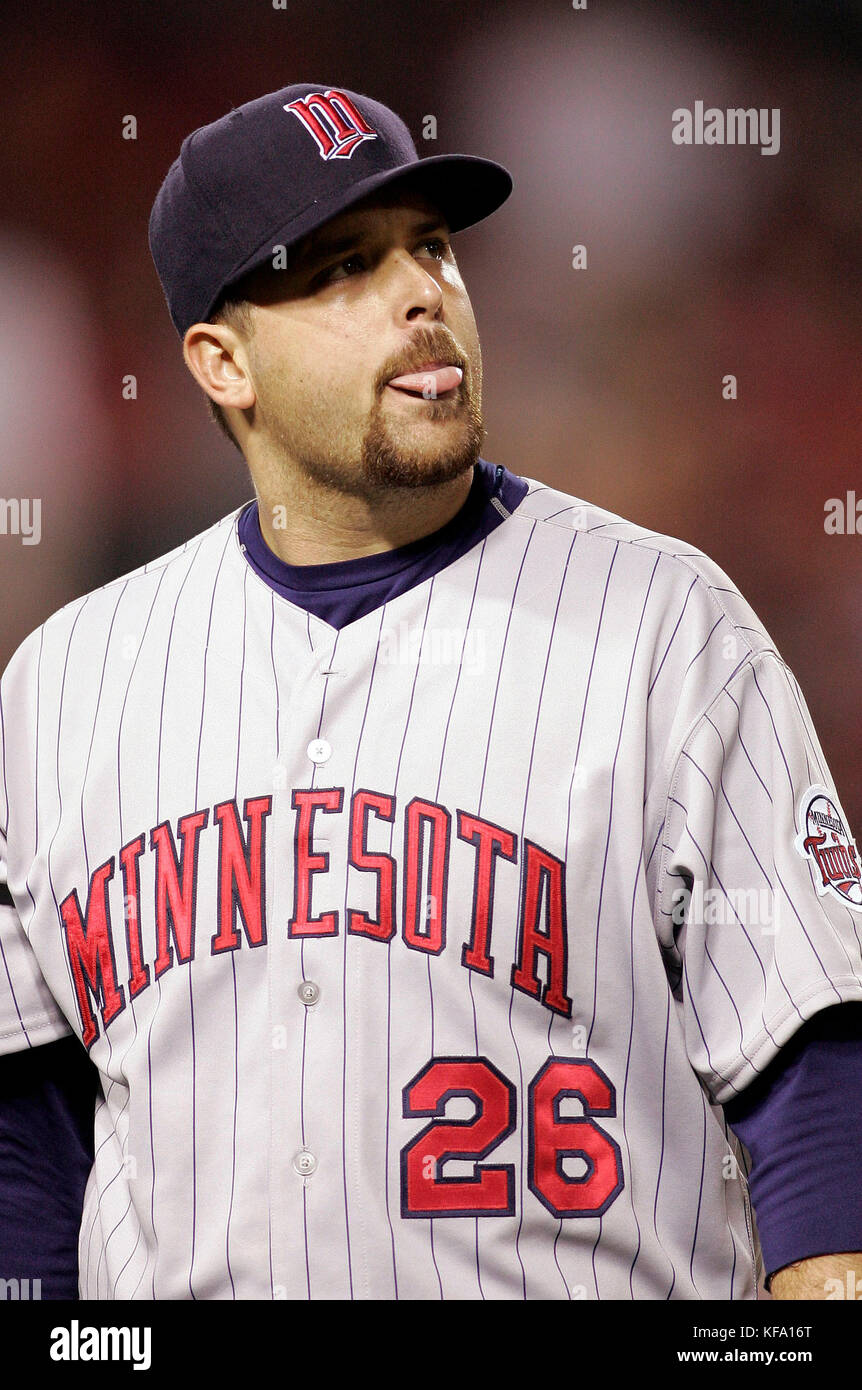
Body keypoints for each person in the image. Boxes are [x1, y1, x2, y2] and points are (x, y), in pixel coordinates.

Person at [1, 82, 861, 1302]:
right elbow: (26, 1138)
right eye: (345, 267)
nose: (421, 294)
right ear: (220, 359)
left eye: (433, 247)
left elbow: (813, 1072)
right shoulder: (64, 685)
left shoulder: (665, 622)